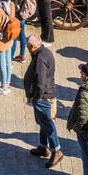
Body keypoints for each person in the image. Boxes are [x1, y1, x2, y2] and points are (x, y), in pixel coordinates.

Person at [24, 33, 62, 167]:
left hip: (43, 97)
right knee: (42, 121)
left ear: (33, 46)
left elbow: (41, 81)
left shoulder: (40, 58)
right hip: (46, 94)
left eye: (28, 47)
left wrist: (37, 97)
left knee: (46, 123)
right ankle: (43, 146)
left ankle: (56, 149)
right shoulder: (45, 52)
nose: (27, 49)